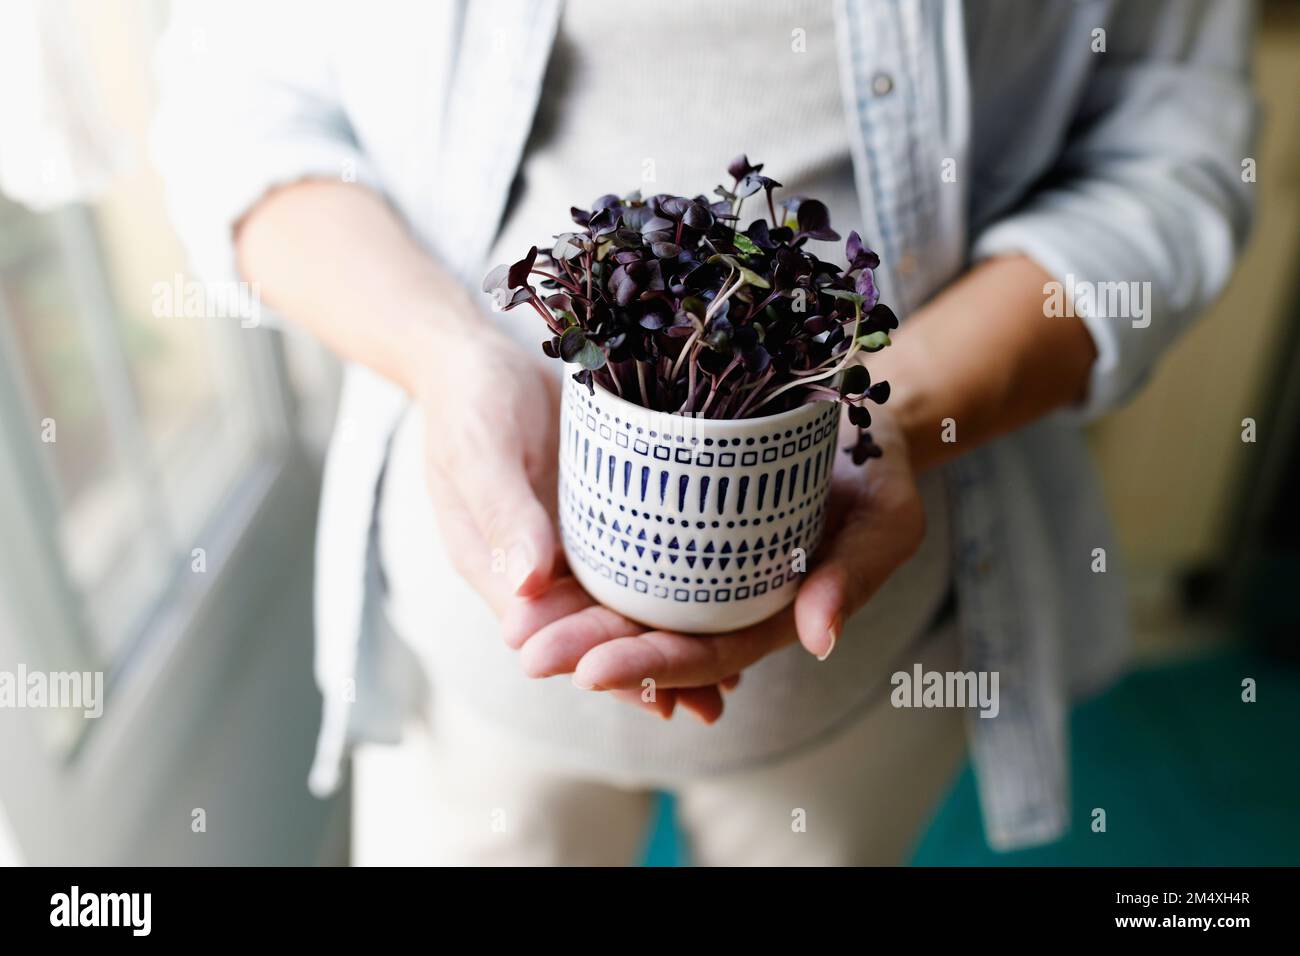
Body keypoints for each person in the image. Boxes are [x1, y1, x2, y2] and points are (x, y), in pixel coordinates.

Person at [153, 0, 1255, 865]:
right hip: (475, 631)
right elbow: (235, 102)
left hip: (862, 655)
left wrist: (902, 407)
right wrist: (450, 356)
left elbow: (1170, 156)